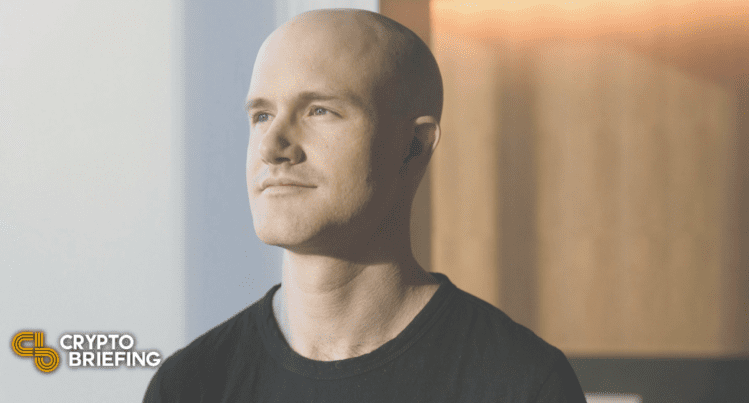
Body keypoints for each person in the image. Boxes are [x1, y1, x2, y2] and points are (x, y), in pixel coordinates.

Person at [144, 8, 586, 402]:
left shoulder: (522, 383)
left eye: (319, 111)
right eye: (262, 115)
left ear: (413, 147)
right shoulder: (190, 384)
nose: (271, 147)